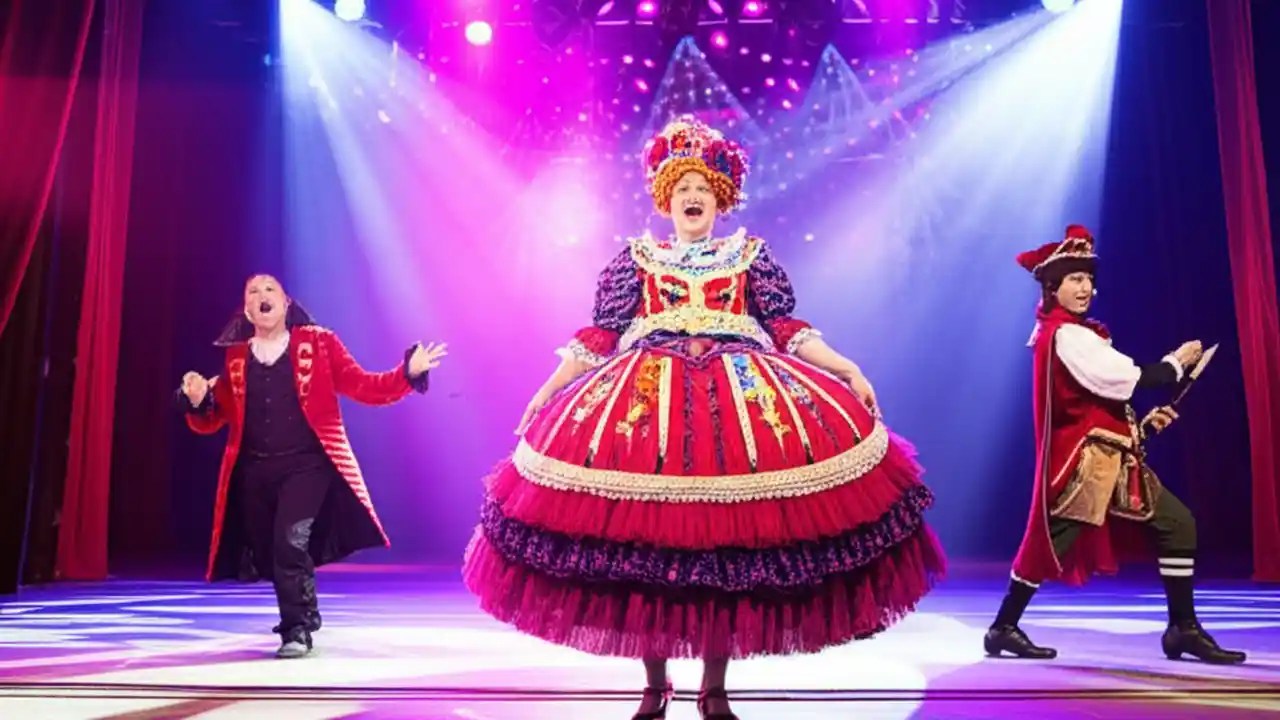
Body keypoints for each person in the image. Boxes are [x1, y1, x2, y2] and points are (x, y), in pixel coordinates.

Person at [462, 116, 946, 719]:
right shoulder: (638, 259)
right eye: (682, 187)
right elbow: (600, 335)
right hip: (647, 403)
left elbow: (787, 328)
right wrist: (548, 389)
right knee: (649, 547)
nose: (693, 196)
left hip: (735, 402)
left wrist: (846, 367)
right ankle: (655, 682)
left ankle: (714, 687)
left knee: (722, 551)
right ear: (667, 200)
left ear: (720, 198)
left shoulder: (749, 257)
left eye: (703, 187)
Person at [984, 225, 1246, 665]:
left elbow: (1099, 402)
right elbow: (1132, 378)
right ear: (1053, 287)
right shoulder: (1067, 335)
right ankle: (1003, 627)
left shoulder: (1068, 333)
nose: (1086, 287)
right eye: (1075, 279)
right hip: (1084, 466)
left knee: (1177, 524)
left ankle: (1182, 628)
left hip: (1107, 460)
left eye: (1088, 278)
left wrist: (1144, 426)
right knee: (1051, 542)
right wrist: (1176, 364)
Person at [178, 273, 446, 658]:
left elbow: (364, 385)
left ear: (286, 303)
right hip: (255, 471)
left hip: (307, 465)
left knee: (290, 541)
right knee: (271, 550)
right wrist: (197, 398)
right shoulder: (236, 356)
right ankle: (303, 610)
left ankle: (296, 629)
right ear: (247, 311)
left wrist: (407, 373)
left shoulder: (319, 343)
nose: (261, 295)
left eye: (270, 289)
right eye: (253, 291)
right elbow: (213, 417)